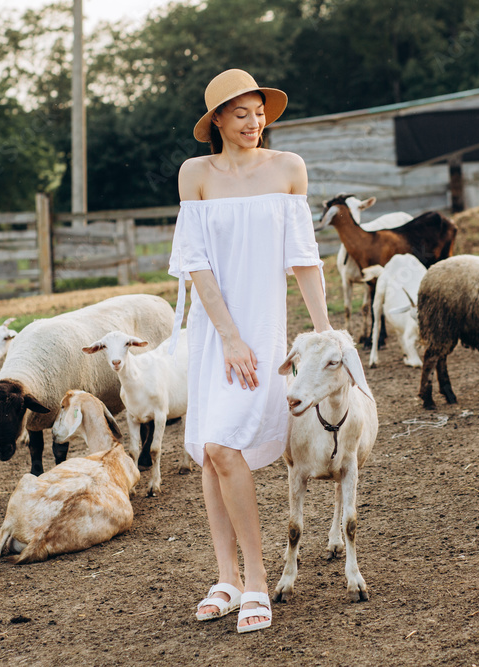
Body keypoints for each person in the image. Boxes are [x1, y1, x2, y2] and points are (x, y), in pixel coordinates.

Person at [167, 69, 331, 633]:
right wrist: (227, 335)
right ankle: (227, 577)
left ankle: (257, 580)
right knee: (211, 454)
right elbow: (196, 263)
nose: (254, 122)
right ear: (216, 121)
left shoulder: (288, 169)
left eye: (259, 112)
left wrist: (323, 332)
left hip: (263, 334)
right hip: (215, 334)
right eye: (241, 114)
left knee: (222, 444)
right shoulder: (196, 174)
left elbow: (304, 259)